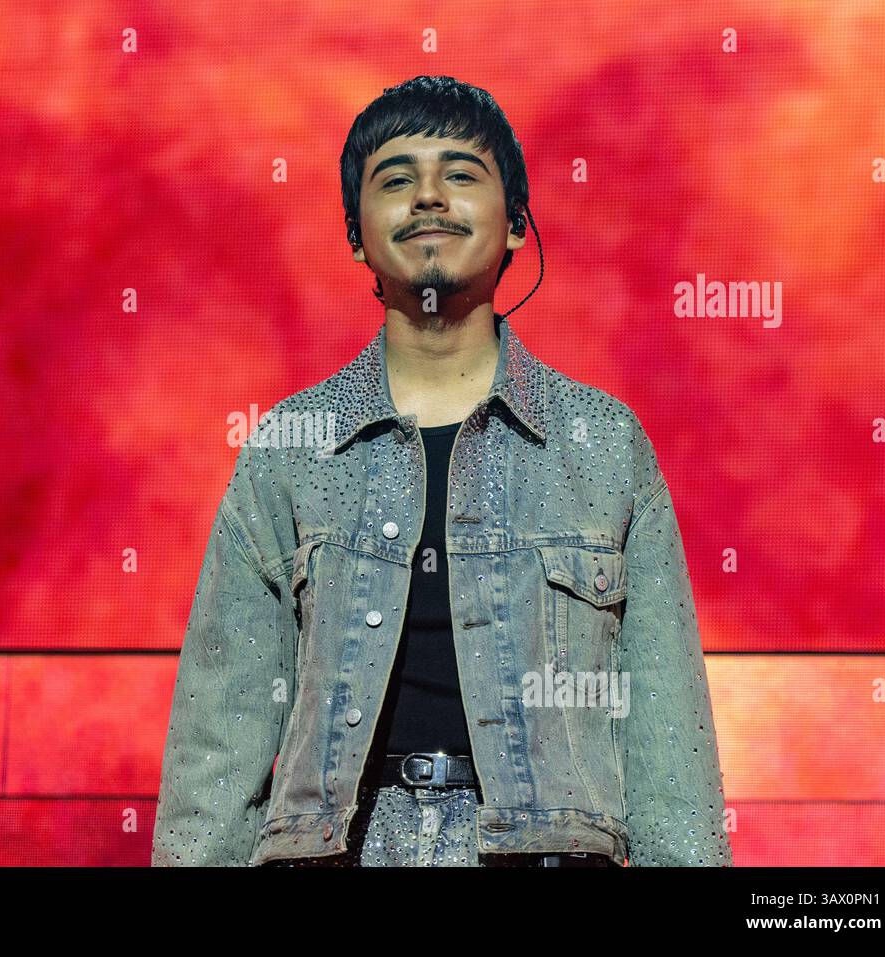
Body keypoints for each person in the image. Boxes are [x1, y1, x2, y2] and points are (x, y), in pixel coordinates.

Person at [151, 75, 731, 867]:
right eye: (395, 179)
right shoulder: (291, 447)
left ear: (518, 224)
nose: (428, 196)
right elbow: (219, 739)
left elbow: (668, 742)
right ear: (357, 236)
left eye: (460, 174)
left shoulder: (600, 442)